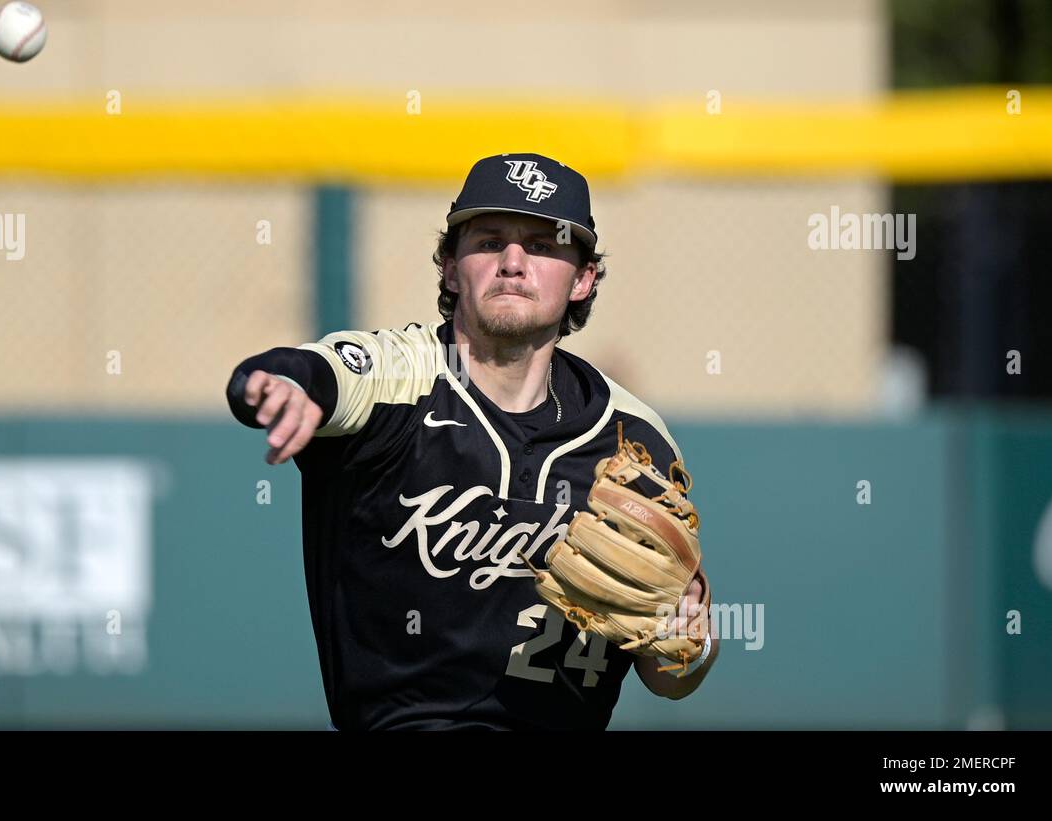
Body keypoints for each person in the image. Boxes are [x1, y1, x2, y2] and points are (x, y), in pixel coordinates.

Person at [226, 153, 717, 730]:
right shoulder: (399, 377)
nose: (513, 262)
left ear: (583, 278)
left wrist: (689, 641)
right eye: (488, 241)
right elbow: (317, 371)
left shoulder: (631, 439)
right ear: (451, 268)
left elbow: (670, 678)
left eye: (541, 244)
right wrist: (286, 384)